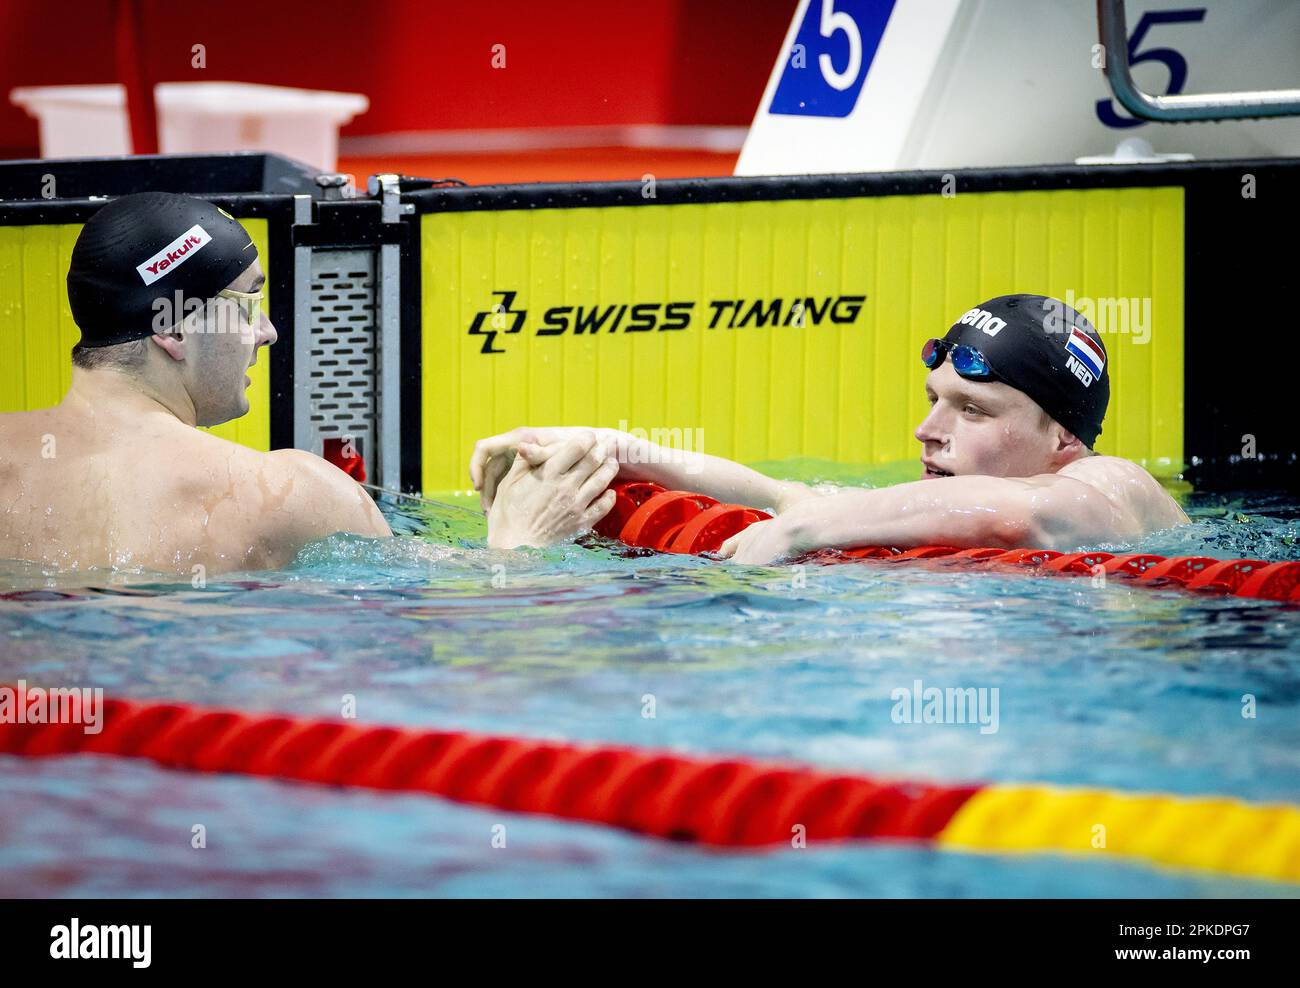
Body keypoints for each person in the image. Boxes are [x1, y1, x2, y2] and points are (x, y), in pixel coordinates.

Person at [0, 192, 615, 574]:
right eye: (247, 304)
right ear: (175, 328)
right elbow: (441, 643)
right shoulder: (285, 492)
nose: (266, 333)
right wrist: (523, 545)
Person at [470, 294, 1188, 565]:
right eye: (934, 399)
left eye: (971, 409)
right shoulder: (925, 504)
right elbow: (791, 493)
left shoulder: (1114, 483)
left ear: (1065, 436)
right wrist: (619, 450)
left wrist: (795, 533)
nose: (925, 429)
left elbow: (1021, 519)